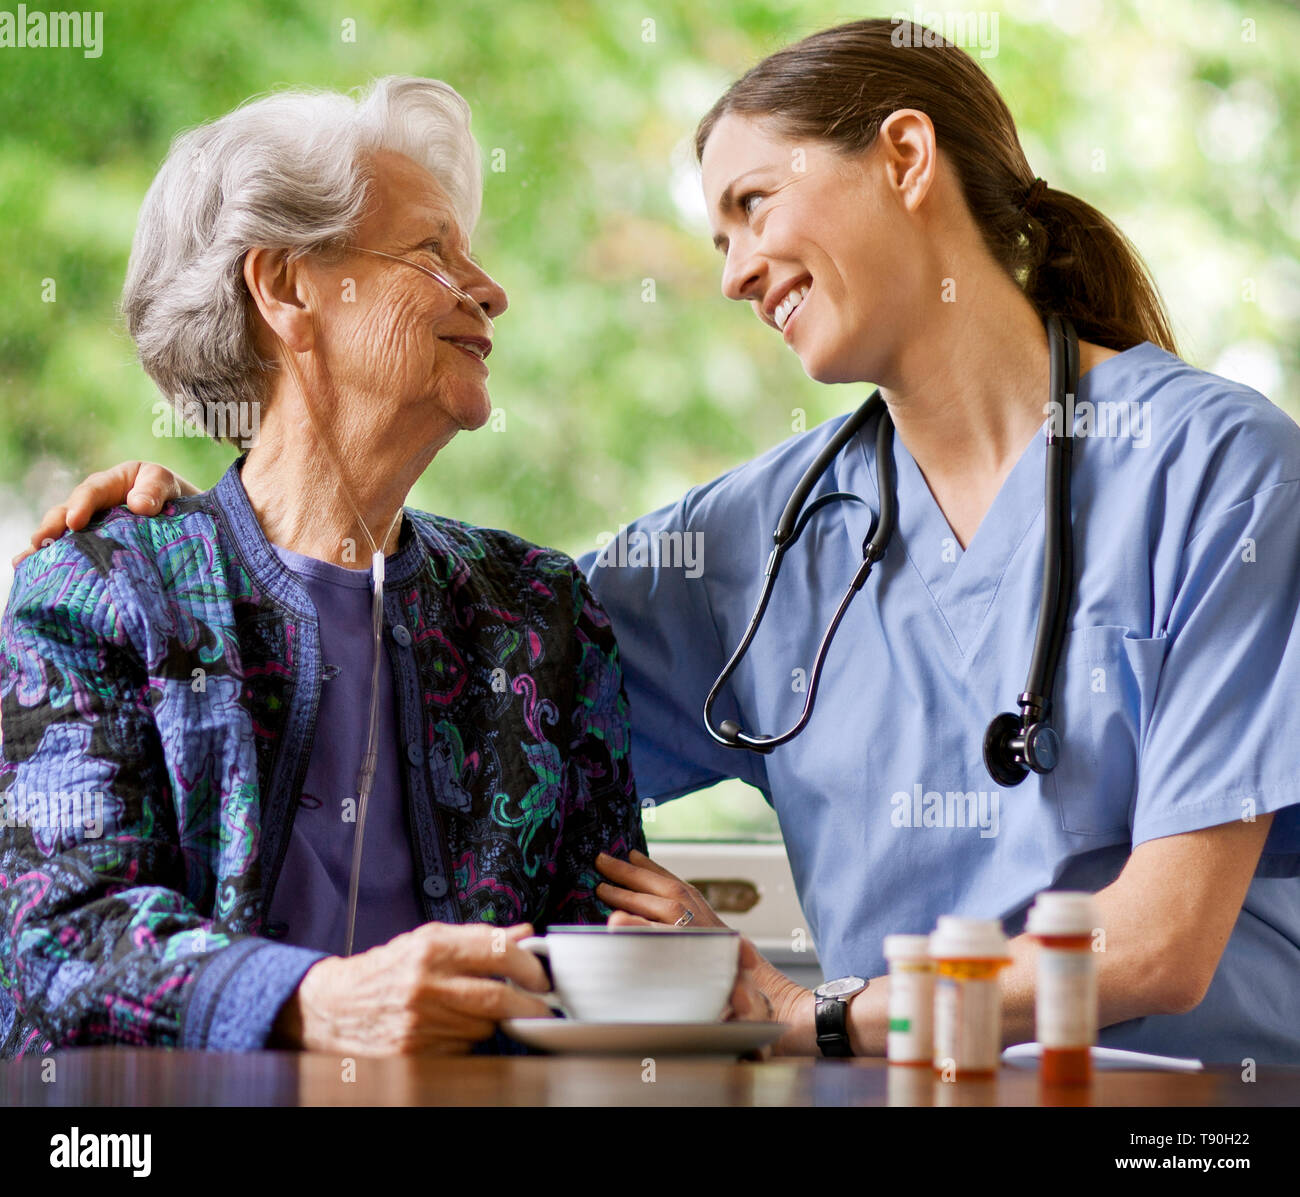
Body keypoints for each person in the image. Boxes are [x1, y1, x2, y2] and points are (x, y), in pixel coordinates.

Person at [25, 20, 1300, 1064]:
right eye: (716, 235)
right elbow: (60, 915)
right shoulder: (745, 542)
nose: (736, 273)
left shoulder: (1215, 469)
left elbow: (1158, 949)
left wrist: (804, 1014)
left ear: (905, 156)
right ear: (287, 288)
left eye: (754, 204)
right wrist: (178, 529)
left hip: (1190, 1106)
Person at [0, 76, 669, 1061]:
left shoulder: (538, 611)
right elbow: (57, 938)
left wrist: (675, 966)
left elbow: (596, 941)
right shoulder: (105, 590)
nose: (490, 290)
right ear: (285, 287)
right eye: (432, 253)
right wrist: (315, 1002)